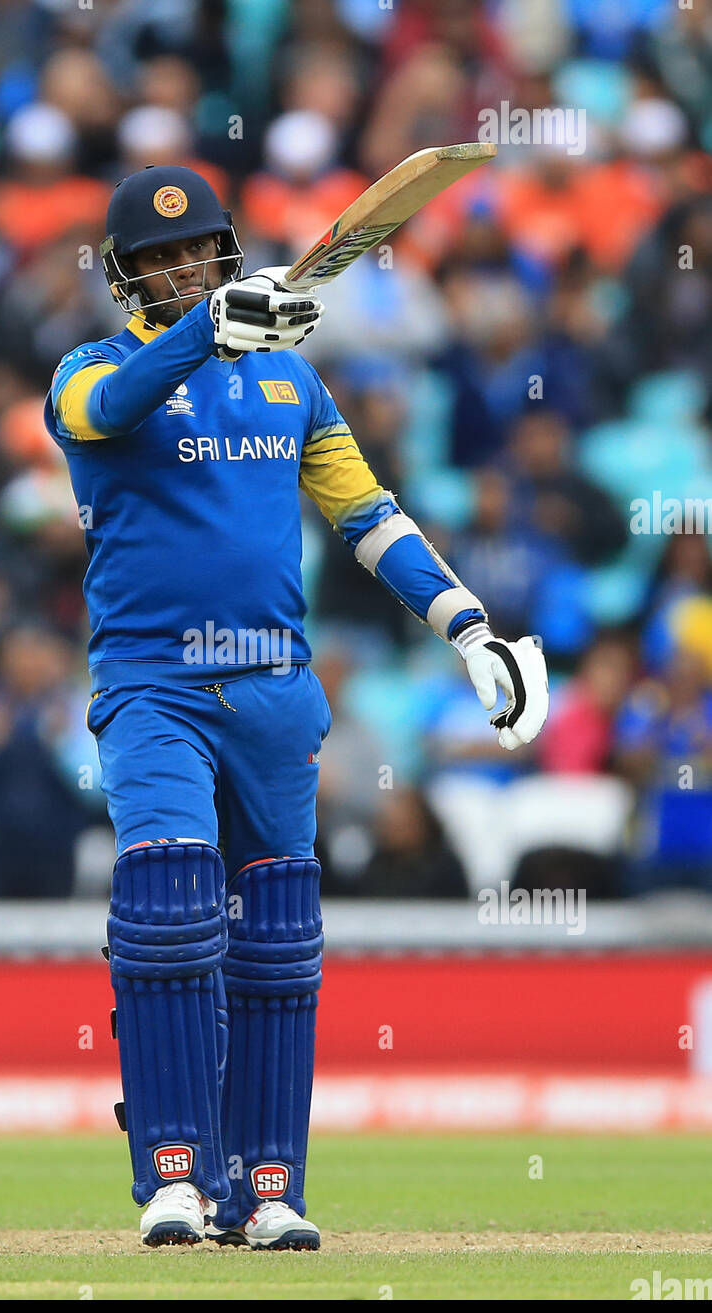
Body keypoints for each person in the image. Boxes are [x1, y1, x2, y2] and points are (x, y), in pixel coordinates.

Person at [43, 165, 549, 1250]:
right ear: (125, 275)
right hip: (153, 681)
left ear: (225, 252)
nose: (182, 268)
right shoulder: (90, 371)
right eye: (159, 258)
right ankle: (174, 1173)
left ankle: (266, 1187)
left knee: (275, 940)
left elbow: (368, 516)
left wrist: (469, 626)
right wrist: (209, 333)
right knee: (170, 899)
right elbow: (112, 408)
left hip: (277, 687)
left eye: (200, 252)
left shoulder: (293, 386)